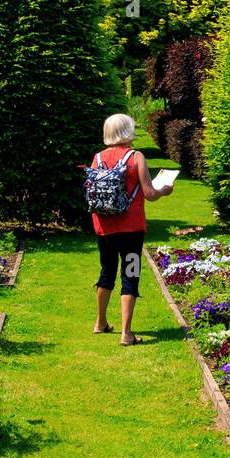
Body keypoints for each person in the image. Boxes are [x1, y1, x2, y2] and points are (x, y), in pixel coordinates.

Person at [90, 114, 173, 346]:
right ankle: (126, 334)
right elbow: (149, 194)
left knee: (107, 271)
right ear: (128, 131)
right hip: (132, 229)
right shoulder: (136, 156)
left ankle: (100, 322)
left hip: (103, 226)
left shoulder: (97, 158)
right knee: (131, 272)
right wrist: (165, 190)